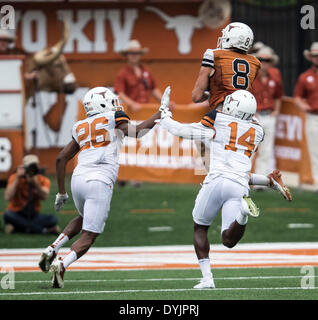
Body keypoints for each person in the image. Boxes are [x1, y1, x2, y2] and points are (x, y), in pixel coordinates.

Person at [159, 86, 292, 289]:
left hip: (216, 180)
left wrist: (165, 114)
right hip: (239, 186)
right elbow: (237, 170)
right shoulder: (258, 131)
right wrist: (267, 181)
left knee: (200, 226)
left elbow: (181, 131)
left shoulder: (217, 119)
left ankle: (207, 278)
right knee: (228, 240)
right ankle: (243, 216)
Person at [38, 87, 162, 288]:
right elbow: (136, 132)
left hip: (77, 178)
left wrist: (61, 192)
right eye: (112, 101)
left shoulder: (80, 125)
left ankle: (53, 248)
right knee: (90, 235)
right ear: (102, 103)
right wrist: (159, 115)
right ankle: (62, 263)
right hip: (99, 178)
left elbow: (61, 159)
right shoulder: (114, 116)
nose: (115, 105)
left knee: (83, 216)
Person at [191, 22, 261, 171]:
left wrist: (209, 94)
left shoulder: (214, 55)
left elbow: (196, 96)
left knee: (202, 141)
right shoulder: (255, 62)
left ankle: (213, 180)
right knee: (236, 159)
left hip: (224, 111)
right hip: (246, 116)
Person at [3, 155, 59, 234]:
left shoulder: (42, 180)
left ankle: (17, 227)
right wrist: (17, 178)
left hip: (34, 215)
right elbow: (7, 197)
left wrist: (36, 183)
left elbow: (45, 197)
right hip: (17, 212)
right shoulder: (14, 177)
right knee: (8, 215)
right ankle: (44, 231)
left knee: (53, 219)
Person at [251, 45, 284, 180]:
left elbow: (278, 95)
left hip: (269, 115)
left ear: (271, 62)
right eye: (261, 60)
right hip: (254, 116)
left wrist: (276, 111)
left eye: (267, 60)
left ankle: (259, 181)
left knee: (266, 150)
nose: (264, 63)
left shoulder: (275, 75)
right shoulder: (251, 74)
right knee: (249, 149)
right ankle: (241, 179)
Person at [114, 39, 164, 112]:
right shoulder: (122, 73)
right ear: (127, 55)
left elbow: (153, 89)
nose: (134, 55)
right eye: (131, 53)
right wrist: (131, 104)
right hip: (130, 112)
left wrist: (165, 102)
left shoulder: (147, 71)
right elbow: (120, 93)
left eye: (137, 53)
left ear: (140, 55)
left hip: (146, 110)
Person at [294, 42, 318, 191]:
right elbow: (297, 97)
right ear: (311, 58)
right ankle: (317, 183)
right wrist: (304, 107)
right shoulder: (305, 77)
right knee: (315, 151)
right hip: (313, 117)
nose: (316, 58)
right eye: (314, 56)